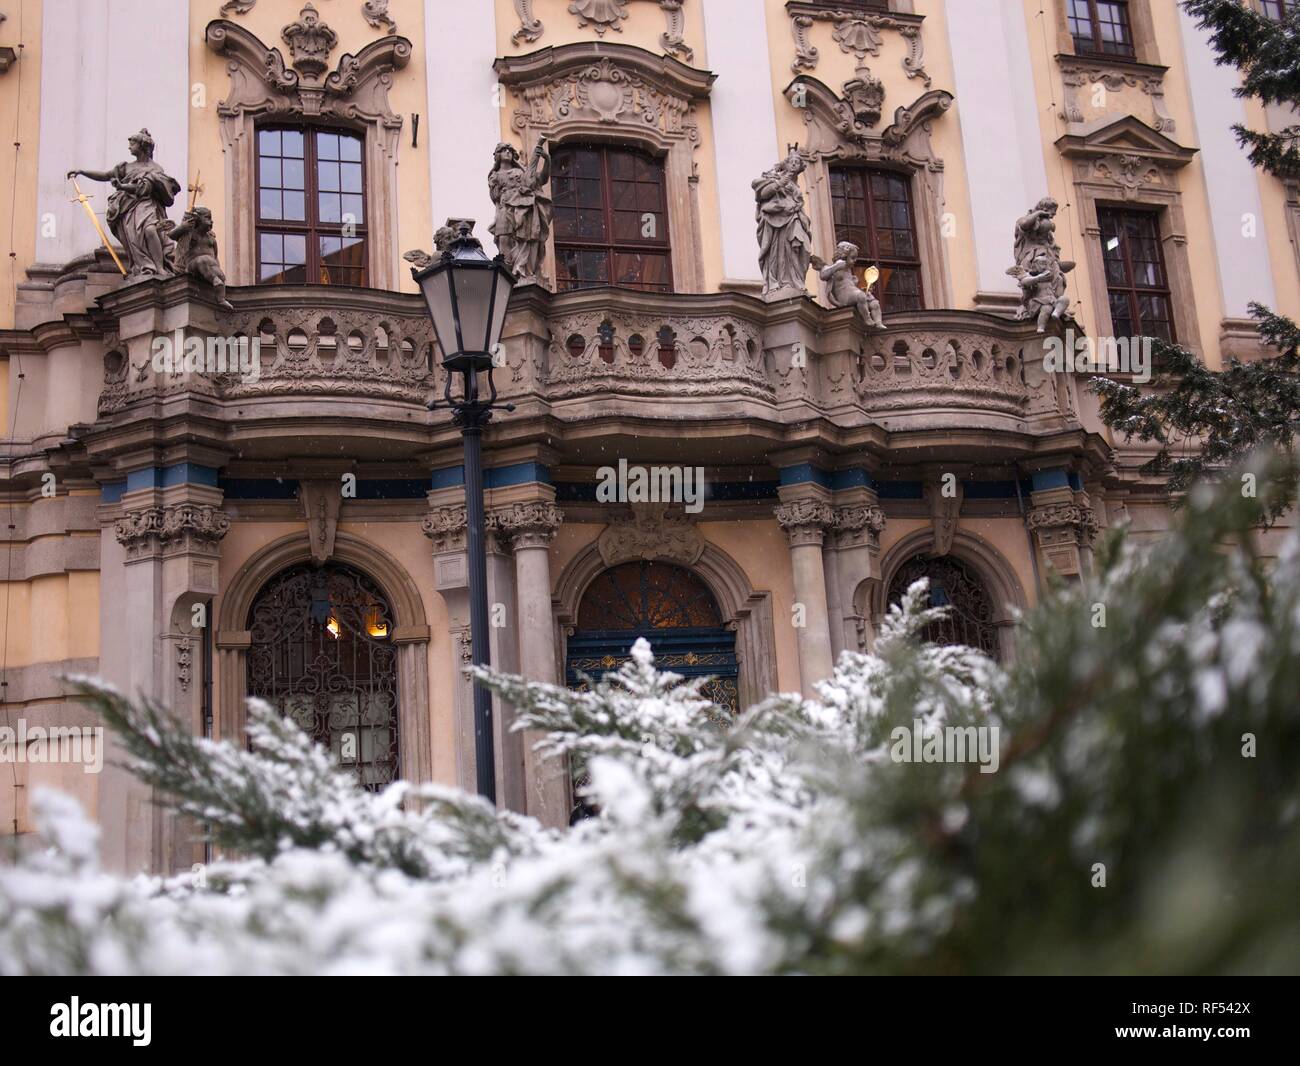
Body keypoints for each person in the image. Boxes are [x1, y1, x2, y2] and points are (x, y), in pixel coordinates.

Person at [68, 129, 181, 282]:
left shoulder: (155, 169)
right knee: (135, 239)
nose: (129, 147)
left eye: (132, 144)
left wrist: (122, 186)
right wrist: (82, 172)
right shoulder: (125, 167)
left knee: (150, 230)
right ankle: (145, 266)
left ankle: (159, 266)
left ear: (143, 146)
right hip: (127, 209)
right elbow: (106, 176)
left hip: (147, 205)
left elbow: (146, 188)